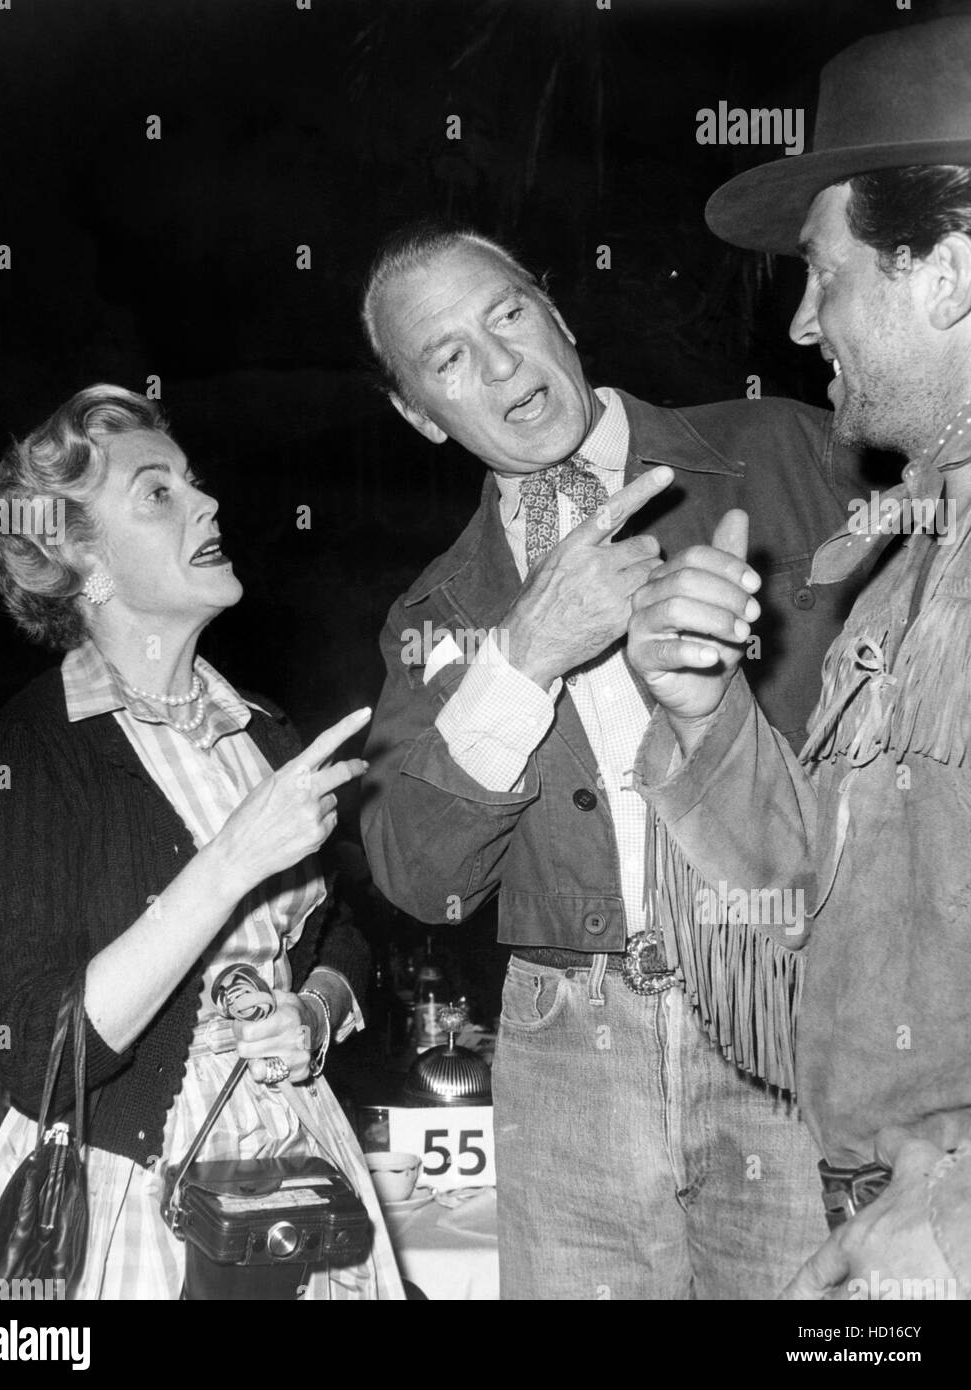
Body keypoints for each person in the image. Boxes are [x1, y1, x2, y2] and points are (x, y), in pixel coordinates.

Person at [358, 222, 872, 1298]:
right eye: (447, 357)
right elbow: (419, 878)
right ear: (418, 416)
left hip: (787, 1006)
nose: (499, 364)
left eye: (507, 313)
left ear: (557, 309)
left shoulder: (788, 448)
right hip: (564, 1044)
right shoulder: (436, 612)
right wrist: (525, 657)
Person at [626, 16, 971, 1299]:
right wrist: (703, 711)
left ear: (948, 271)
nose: (807, 321)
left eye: (827, 273)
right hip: (881, 1228)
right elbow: (818, 910)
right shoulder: (902, 563)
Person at [0, 384, 404, 1300]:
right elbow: (40, 1054)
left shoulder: (262, 732)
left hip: (300, 1168)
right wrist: (231, 861)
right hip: (124, 1205)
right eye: (159, 493)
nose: (209, 503)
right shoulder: (25, 756)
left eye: (193, 482)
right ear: (84, 561)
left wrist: (309, 1012)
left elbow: (341, 931)